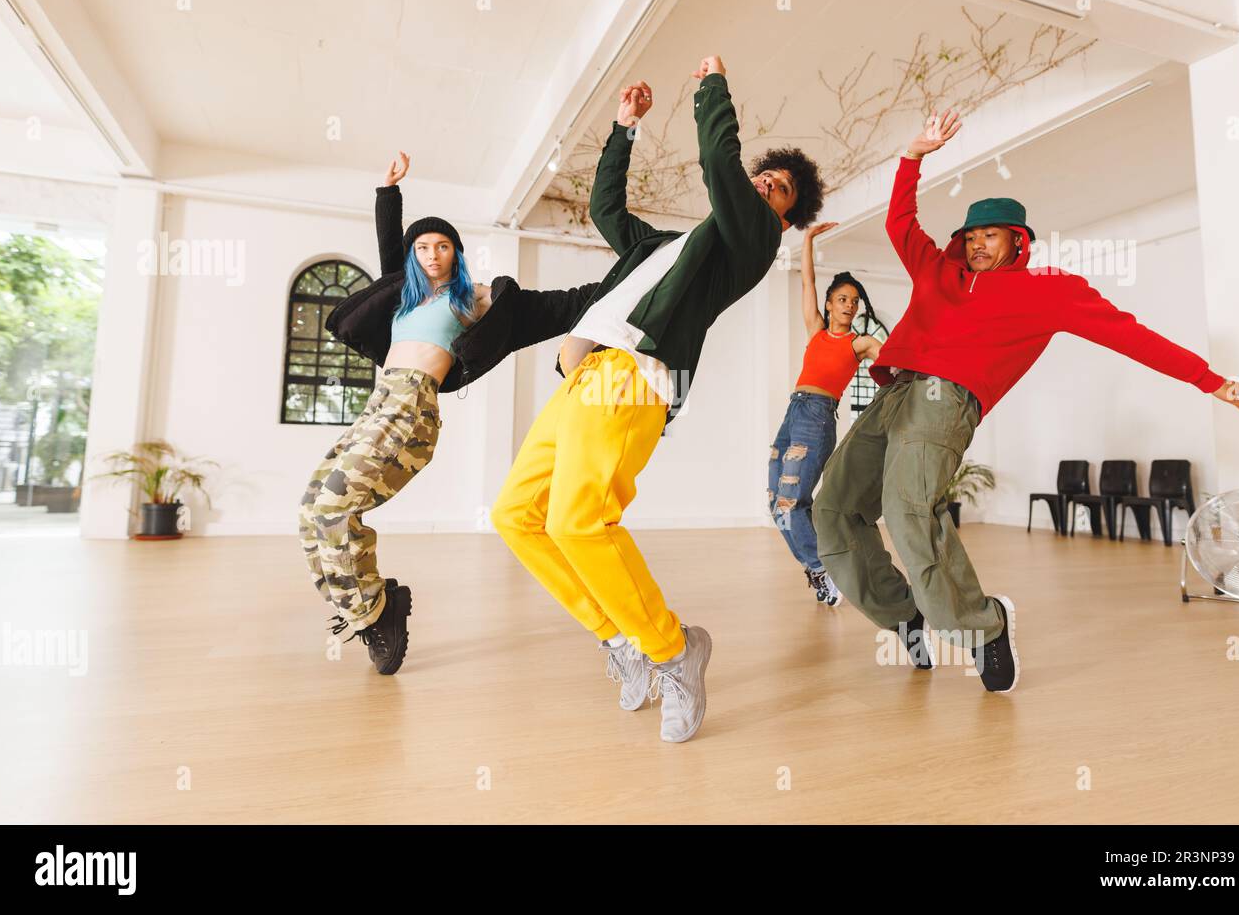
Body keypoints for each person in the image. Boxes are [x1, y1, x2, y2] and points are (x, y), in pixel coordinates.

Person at [813, 109, 1239, 693]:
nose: (978, 246)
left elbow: (1129, 335)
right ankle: (904, 616)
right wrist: (913, 155)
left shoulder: (1048, 292)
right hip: (895, 392)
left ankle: (985, 628)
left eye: (991, 236)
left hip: (945, 402)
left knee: (909, 513)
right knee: (832, 507)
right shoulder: (936, 270)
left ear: (1017, 241)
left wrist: (1209, 380)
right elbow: (900, 220)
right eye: (972, 236)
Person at [491, 56, 826, 742]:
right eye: (770, 174)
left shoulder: (750, 241)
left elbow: (717, 159)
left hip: (633, 377)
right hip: (588, 373)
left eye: (782, 187)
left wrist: (710, 85)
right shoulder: (668, 248)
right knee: (517, 515)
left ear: (785, 216)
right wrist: (624, 128)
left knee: (580, 521)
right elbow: (605, 209)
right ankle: (620, 637)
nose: (769, 183)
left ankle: (674, 650)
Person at [301, 153, 601, 676]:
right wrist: (387, 190)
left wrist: (625, 285)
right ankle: (370, 609)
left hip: (411, 408)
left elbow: (561, 305)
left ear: (457, 254)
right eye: (422, 247)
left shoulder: (479, 300)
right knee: (312, 510)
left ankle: (376, 614)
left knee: (334, 506)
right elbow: (388, 243)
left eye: (442, 246)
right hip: (379, 403)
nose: (432, 254)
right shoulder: (402, 297)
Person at [769, 219, 882, 607]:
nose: (849, 305)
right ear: (830, 304)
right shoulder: (816, 329)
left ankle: (821, 568)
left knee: (793, 500)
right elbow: (806, 284)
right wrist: (808, 240)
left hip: (817, 416)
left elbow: (891, 365)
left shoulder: (861, 343)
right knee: (775, 500)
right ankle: (817, 566)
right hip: (793, 411)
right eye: (842, 299)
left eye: (854, 301)